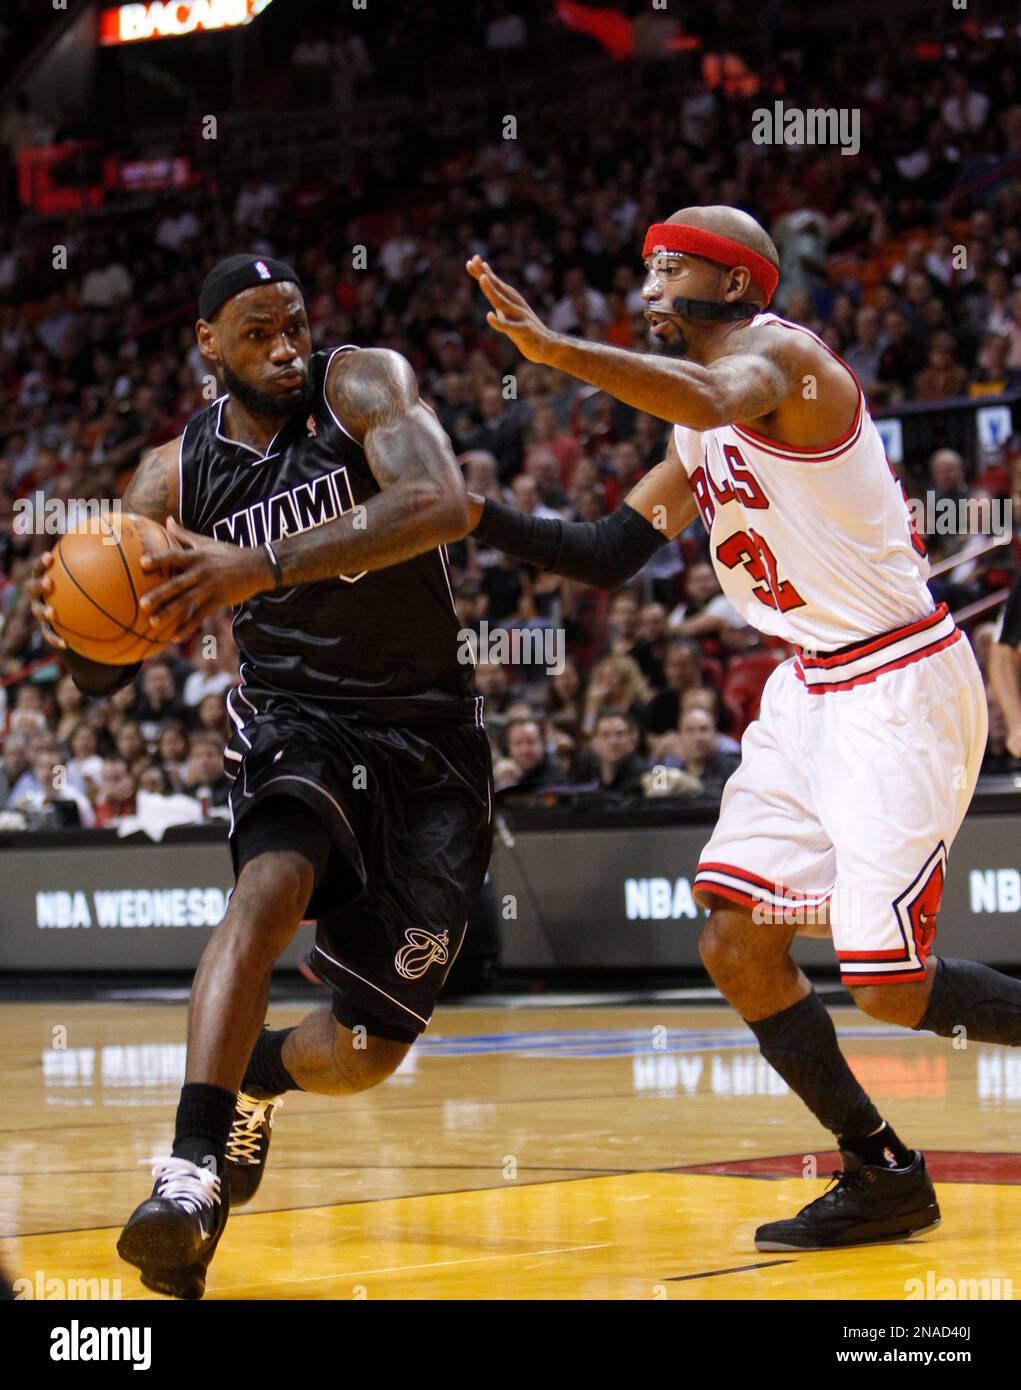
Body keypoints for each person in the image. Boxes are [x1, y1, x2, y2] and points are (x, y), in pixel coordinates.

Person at [463, 205, 1021, 1252]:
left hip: (897, 677)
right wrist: (469, 515)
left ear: (733, 283)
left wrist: (551, 350)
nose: (644, 289)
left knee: (891, 987)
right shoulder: (694, 422)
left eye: (666, 269)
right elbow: (606, 548)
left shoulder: (781, 359)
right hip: (809, 689)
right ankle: (880, 1168)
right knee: (734, 940)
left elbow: (721, 390)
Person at [29, 254, 493, 1299]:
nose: (285, 346)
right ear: (209, 345)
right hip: (298, 721)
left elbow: (443, 500)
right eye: (256, 333)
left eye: (293, 324)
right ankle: (190, 1171)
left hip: (430, 742)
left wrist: (261, 564)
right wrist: (71, 615)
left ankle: (259, 1074)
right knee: (266, 888)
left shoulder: (360, 383)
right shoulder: (173, 474)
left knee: (370, 1050)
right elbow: (99, 674)